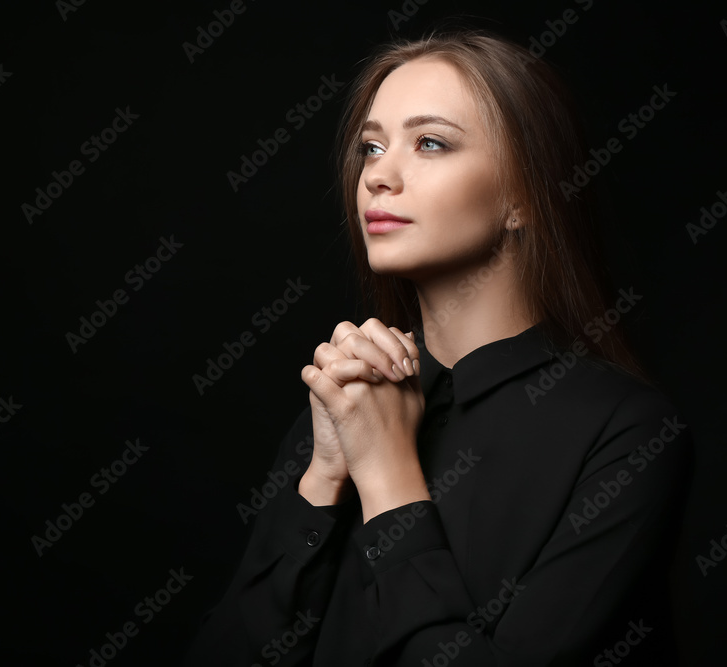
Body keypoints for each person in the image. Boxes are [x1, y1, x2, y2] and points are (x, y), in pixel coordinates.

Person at [184, 25, 693, 667]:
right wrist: (323, 477)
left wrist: (388, 474)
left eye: (429, 143)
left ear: (523, 197)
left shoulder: (627, 433)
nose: (379, 176)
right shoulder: (349, 405)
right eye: (370, 147)